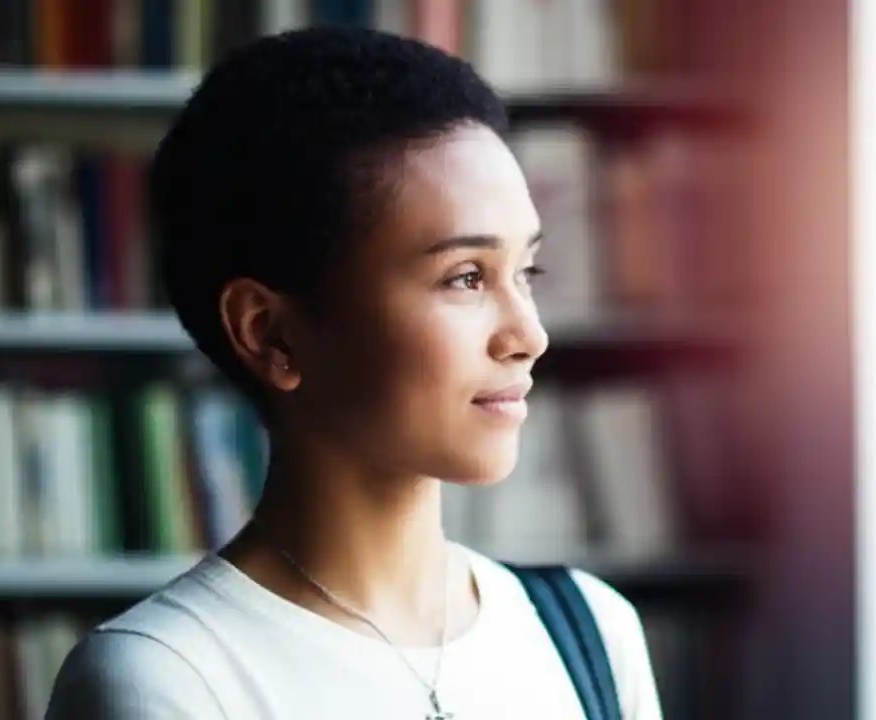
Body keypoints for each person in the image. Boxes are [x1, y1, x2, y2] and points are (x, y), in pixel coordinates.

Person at [46, 26, 661, 719]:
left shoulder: (591, 637)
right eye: (465, 278)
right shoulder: (167, 680)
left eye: (527, 272)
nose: (530, 335)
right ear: (269, 332)